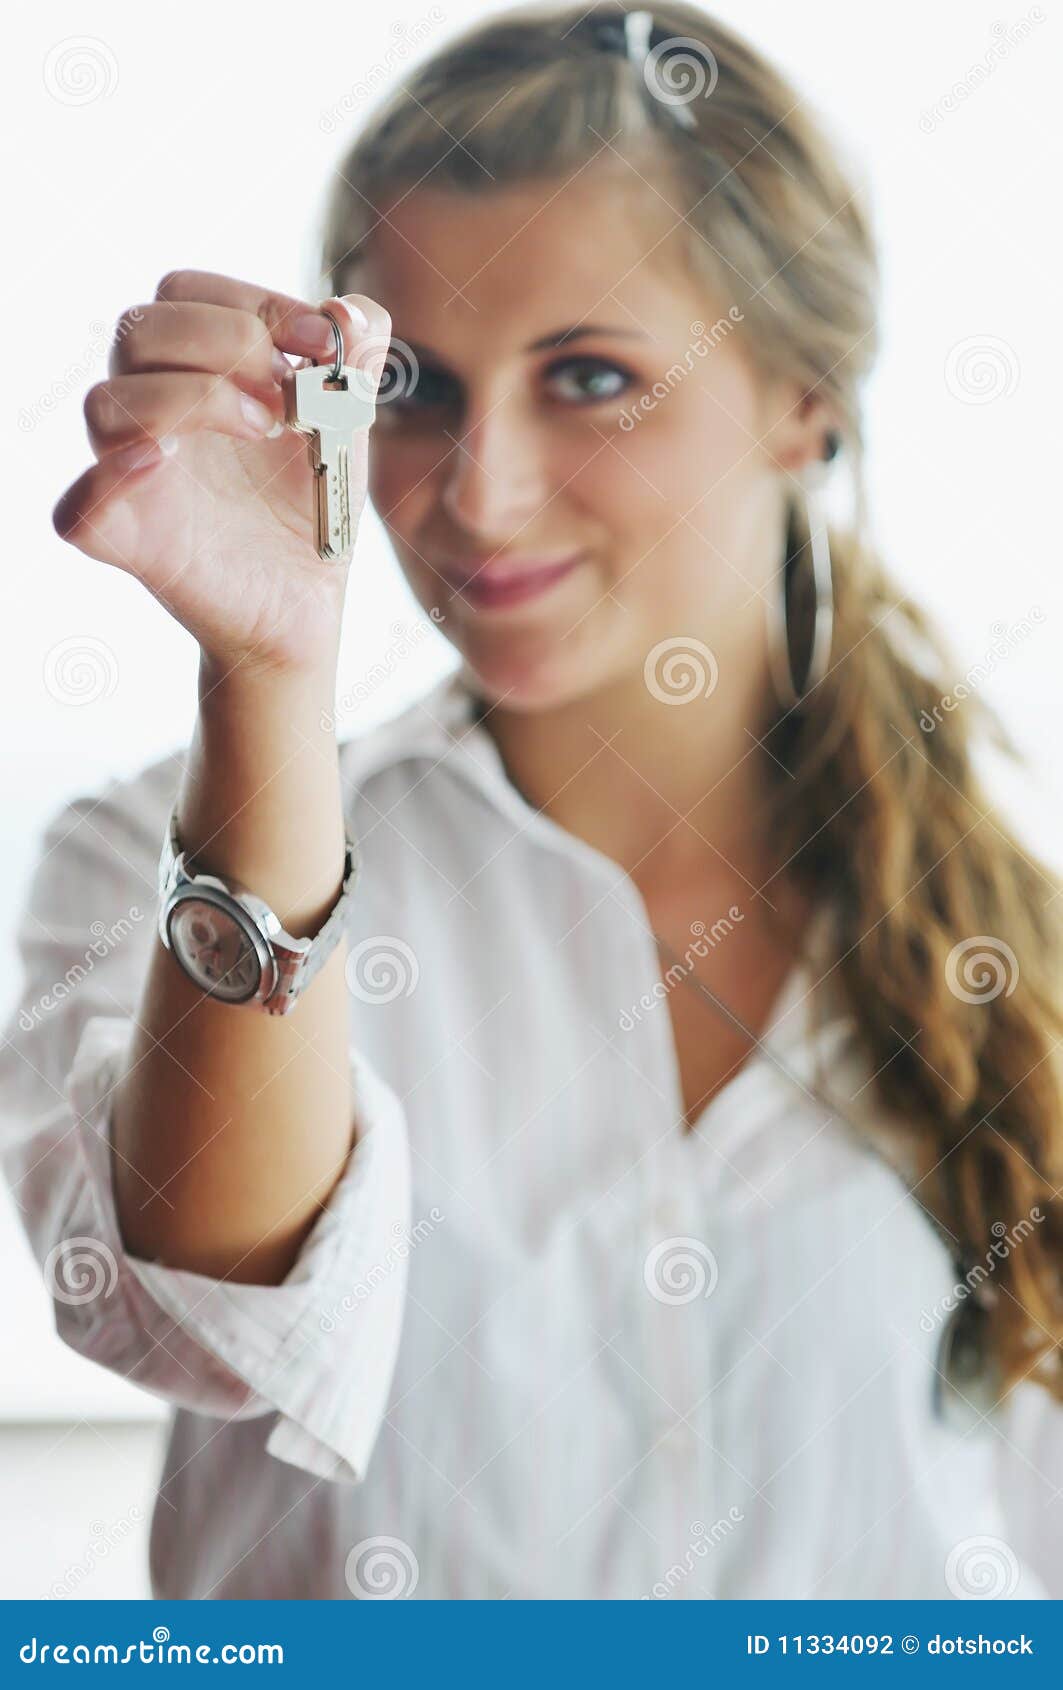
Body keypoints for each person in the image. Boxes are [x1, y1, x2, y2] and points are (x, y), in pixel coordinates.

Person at [2, 1, 1061, 1602]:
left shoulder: (1024, 951)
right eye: (418, 382)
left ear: (804, 397)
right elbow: (217, 1311)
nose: (479, 486)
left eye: (589, 375)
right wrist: (272, 670)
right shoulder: (161, 853)